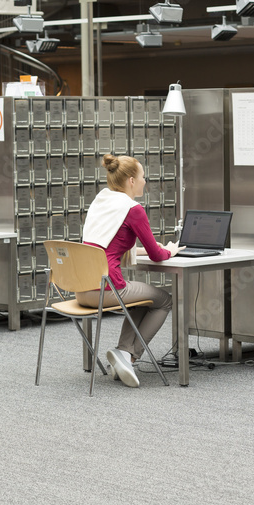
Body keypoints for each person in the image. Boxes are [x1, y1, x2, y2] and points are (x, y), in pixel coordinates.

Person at [78, 154, 183, 388]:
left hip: (82, 288)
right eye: (143, 177)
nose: (146, 181)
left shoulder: (101, 200)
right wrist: (169, 251)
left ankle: (124, 352)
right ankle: (130, 355)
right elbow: (157, 256)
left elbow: (107, 243)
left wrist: (153, 249)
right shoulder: (133, 209)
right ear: (132, 181)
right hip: (106, 288)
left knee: (142, 299)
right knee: (164, 300)